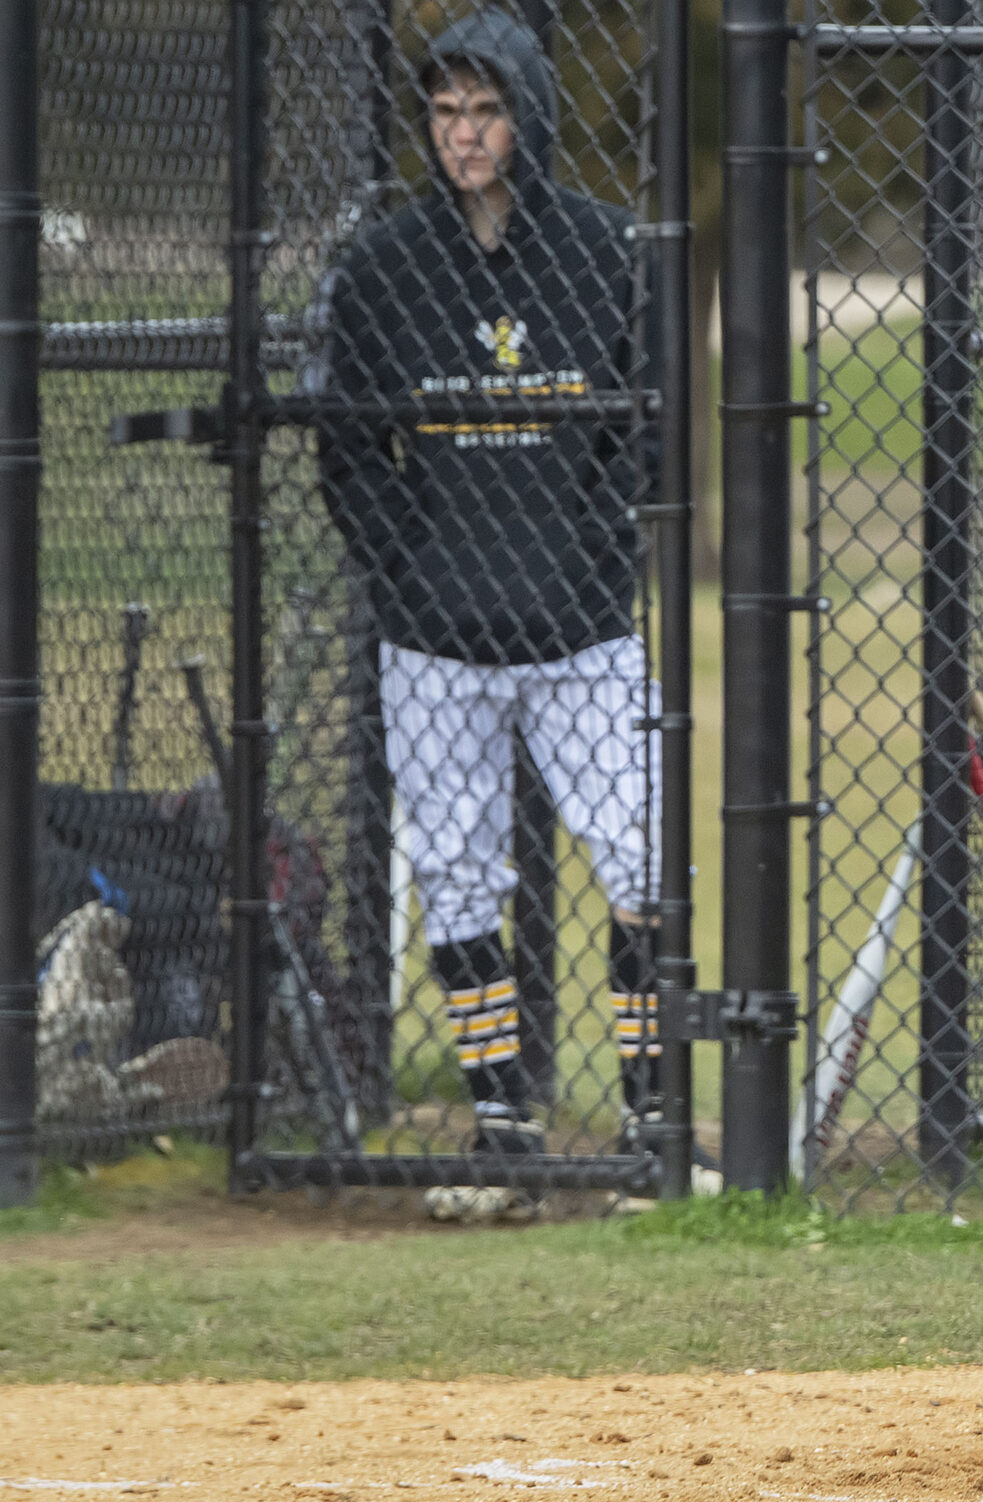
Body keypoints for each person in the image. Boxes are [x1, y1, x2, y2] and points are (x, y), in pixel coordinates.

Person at [307, 9, 659, 1159]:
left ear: (529, 117)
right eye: (446, 110)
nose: (464, 132)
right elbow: (348, 449)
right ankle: (500, 1111)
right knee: (455, 873)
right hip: (433, 634)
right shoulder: (383, 266)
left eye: (488, 110)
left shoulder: (611, 254)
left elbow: (648, 437)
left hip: (580, 631)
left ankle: (651, 1110)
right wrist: (410, 566)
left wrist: (592, 553)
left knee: (641, 851)